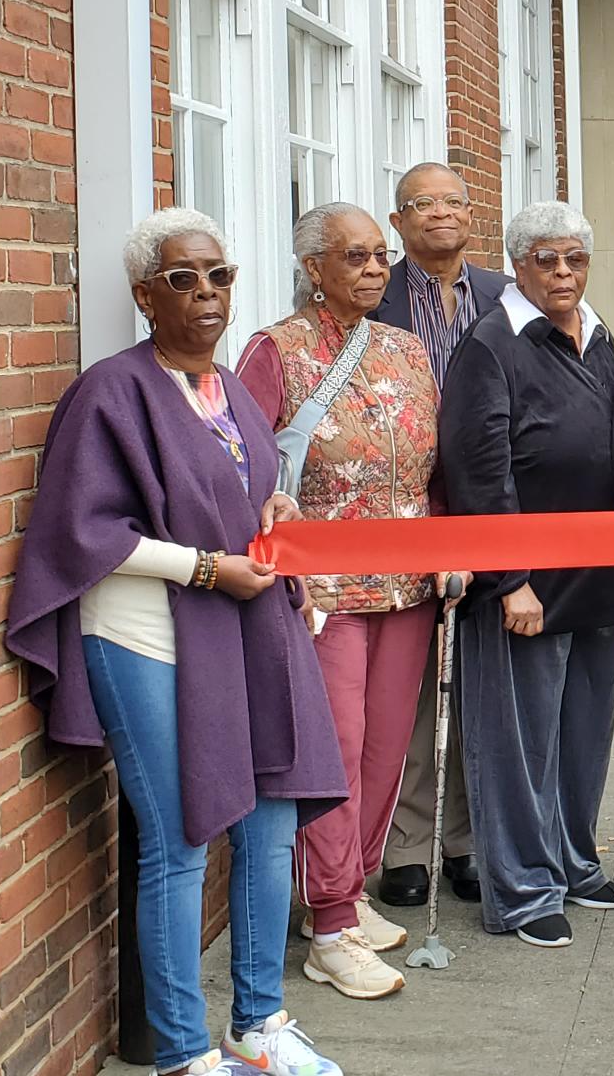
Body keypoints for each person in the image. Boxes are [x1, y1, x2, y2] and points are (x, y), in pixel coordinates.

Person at [7, 209, 346, 1076]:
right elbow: (87, 534)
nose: (206, 294)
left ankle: (260, 1026)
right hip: (146, 635)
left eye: (219, 275)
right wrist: (205, 569)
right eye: (183, 278)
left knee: (271, 818)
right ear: (144, 294)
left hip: (243, 630)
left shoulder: (228, 388)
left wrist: (273, 509)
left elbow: (242, 486)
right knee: (180, 839)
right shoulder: (111, 391)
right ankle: (186, 1055)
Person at [236, 202, 443, 1002]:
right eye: (353, 256)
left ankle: (348, 891)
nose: (372, 268)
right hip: (323, 590)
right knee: (337, 747)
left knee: (388, 746)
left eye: (379, 256)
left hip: (410, 582)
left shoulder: (408, 347)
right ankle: (328, 924)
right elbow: (245, 463)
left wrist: (450, 551)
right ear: (313, 267)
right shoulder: (275, 351)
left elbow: (433, 462)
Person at [438, 200, 614, 951]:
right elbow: (477, 469)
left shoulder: (599, 332)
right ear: (517, 265)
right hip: (527, 583)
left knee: (584, 732)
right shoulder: (492, 342)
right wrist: (510, 575)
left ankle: (575, 861)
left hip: (598, 574)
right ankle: (521, 889)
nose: (562, 272)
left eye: (574, 259)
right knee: (519, 742)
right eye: (546, 259)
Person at [373, 162, 509, 913]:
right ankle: (403, 847)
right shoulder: (371, 293)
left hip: (488, 507)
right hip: (400, 510)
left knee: (479, 680)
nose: (439, 215)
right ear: (398, 223)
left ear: (471, 215)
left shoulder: (503, 294)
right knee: (411, 686)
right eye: (421, 204)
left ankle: (463, 842)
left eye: (452, 202)